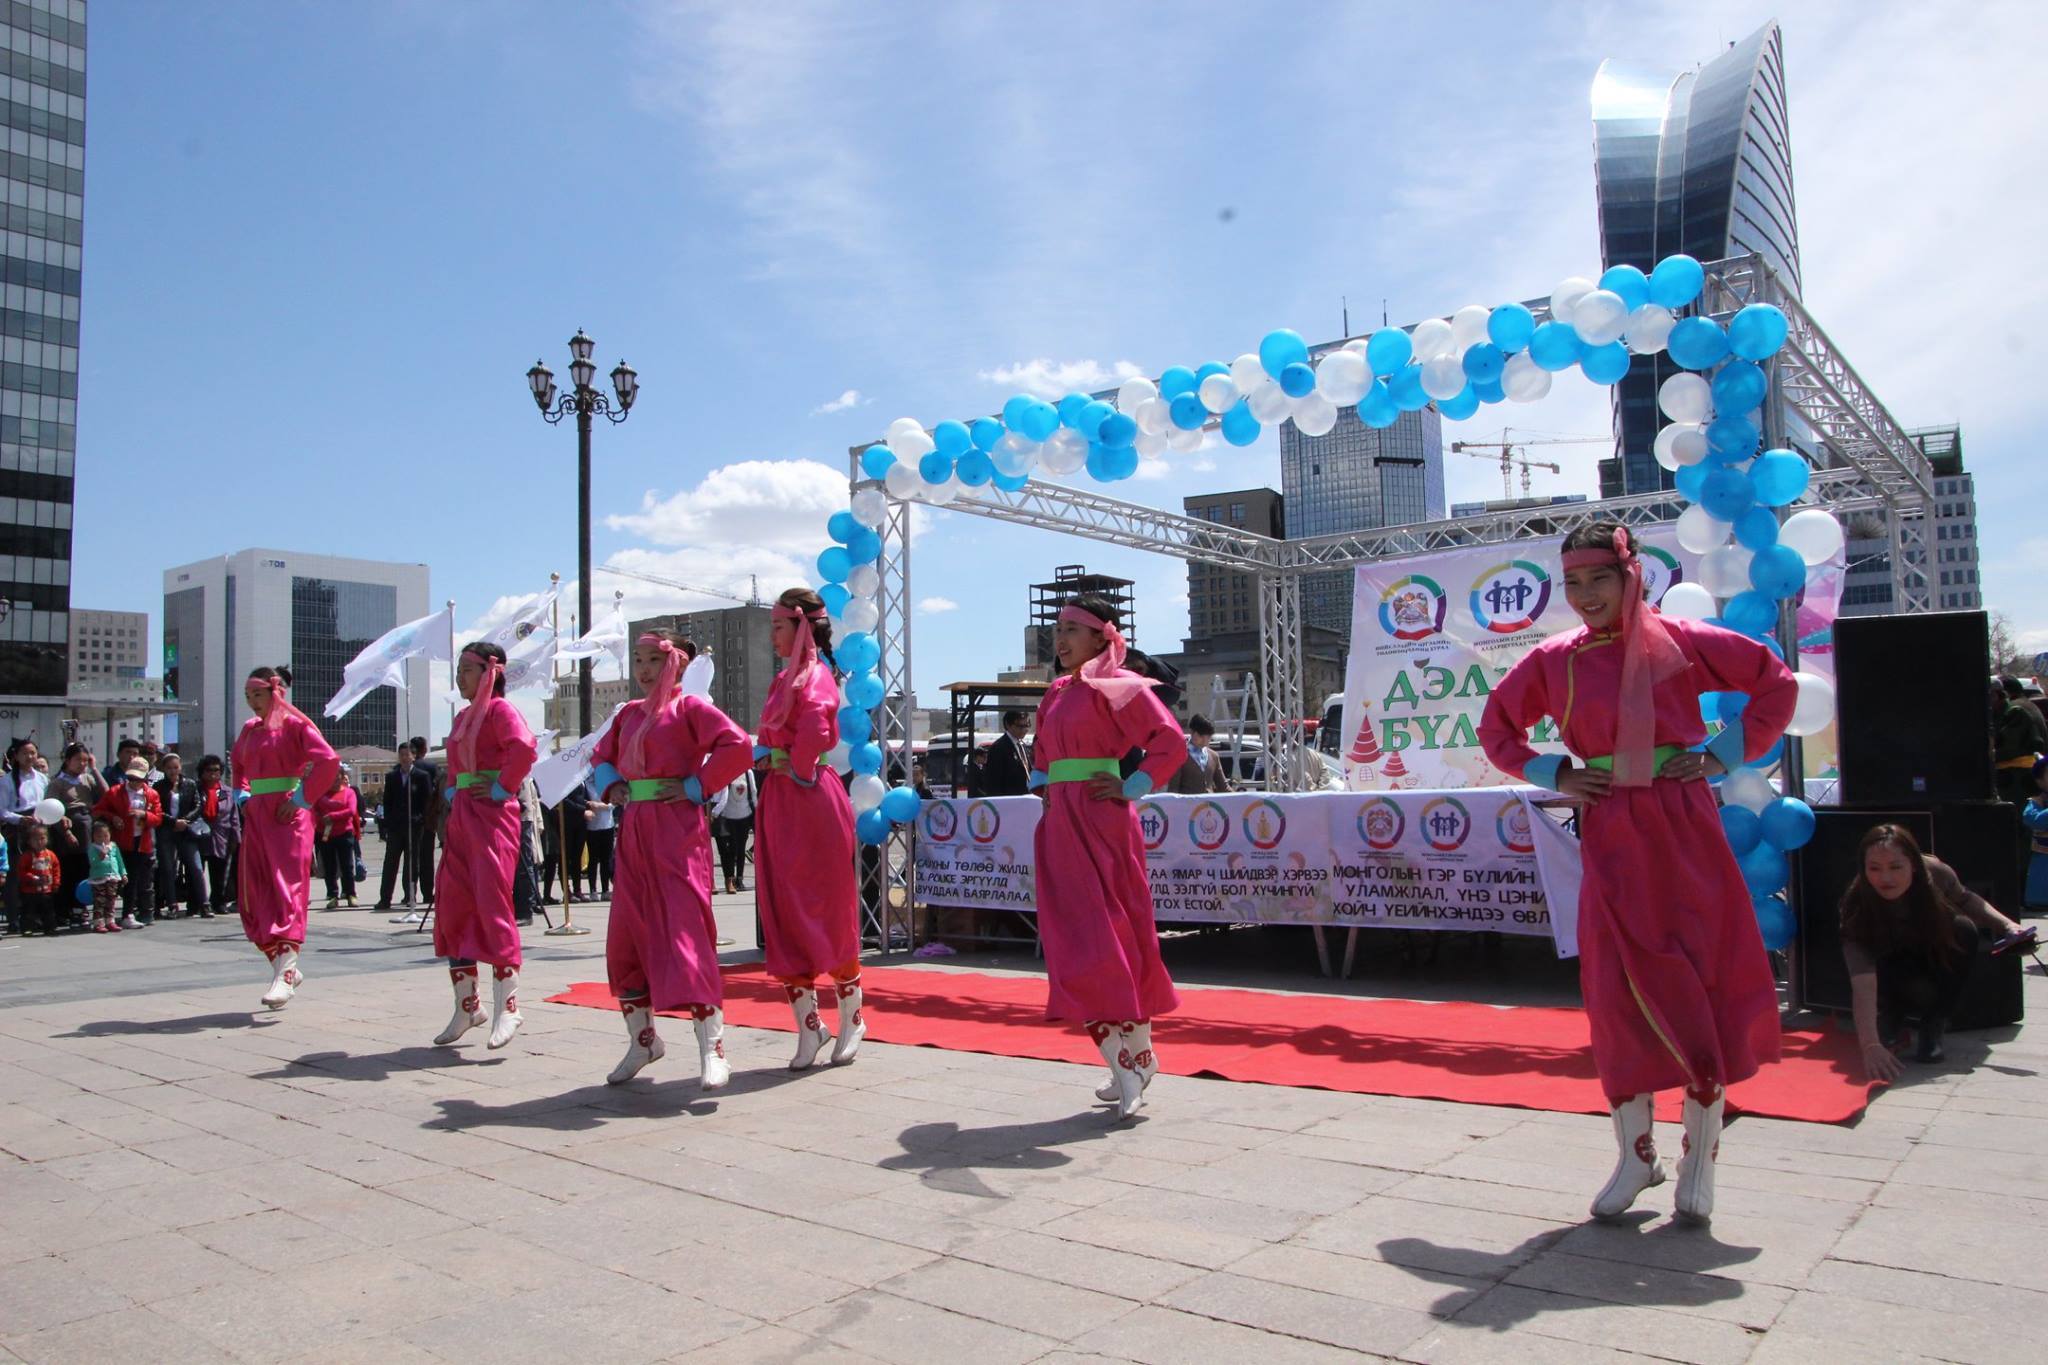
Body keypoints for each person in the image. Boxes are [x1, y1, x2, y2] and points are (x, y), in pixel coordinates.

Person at [1479, 522, 1797, 1226]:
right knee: (1616, 986)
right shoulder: (1553, 660)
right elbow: (1497, 728)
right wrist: (1556, 772)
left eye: (1600, 578)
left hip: (1684, 824)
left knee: (1702, 976)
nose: (1586, 594)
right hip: (1612, 831)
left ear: (1632, 576)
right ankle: (1635, 1156)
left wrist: (1722, 754)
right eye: (1574, 583)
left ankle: (1700, 1163)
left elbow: (1775, 682)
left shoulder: (1681, 640)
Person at [1029, 594, 1187, 1120]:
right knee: (1074, 937)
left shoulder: (1119, 685)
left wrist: (1133, 784)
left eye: (1072, 629)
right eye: (1058, 629)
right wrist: (1045, 787)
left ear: (1102, 636)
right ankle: (1131, 1059)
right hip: (1061, 824)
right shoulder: (1055, 692)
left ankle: (1130, 1060)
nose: (1060, 638)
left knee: (1112, 933)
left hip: (1103, 821)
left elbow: (1169, 741)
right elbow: (1042, 755)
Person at [589, 629, 753, 1086]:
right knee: (627, 935)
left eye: (653, 660)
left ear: (675, 662)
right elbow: (600, 756)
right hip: (634, 832)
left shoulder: (690, 708)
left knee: (686, 933)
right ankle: (643, 1041)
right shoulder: (627, 714)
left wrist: (697, 786)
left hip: (678, 831)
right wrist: (612, 784)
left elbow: (738, 745)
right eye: (638, 660)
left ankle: (713, 1049)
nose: (644, 669)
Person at [754, 587, 866, 1070]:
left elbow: (818, 728)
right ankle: (809, 1026)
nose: (772, 636)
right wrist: (766, 756)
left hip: (809, 796)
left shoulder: (816, 676)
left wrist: (796, 767)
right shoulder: (783, 680)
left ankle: (852, 1016)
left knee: (825, 905)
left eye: (778, 626)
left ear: (801, 628)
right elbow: (772, 735)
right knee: (783, 909)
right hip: (783, 797)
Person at [1842, 824, 2035, 1077]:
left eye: (1895, 867)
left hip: (1930, 955)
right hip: (1888, 968)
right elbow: (1863, 984)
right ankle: (1891, 1015)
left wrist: (2009, 927)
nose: (1885, 878)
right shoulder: (1855, 908)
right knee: (1886, 985)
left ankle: (1934, 1023)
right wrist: (1870, 1045)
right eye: (1874, 868)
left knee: (1964, 929)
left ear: (1913, 864)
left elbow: (1967, 899)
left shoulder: (1936, 872)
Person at [432, 642, 538, 1050]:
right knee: (453, 905)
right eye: (458, 669)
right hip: (462, 817)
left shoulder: (500, 711)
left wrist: (502, 786)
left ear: (489, 673)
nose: (459, 677)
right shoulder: (462, 718)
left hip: (492, 818)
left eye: (466, 669)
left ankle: (508, 1006)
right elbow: (456, 765)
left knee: (493, 905)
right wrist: (452, 789)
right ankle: (467, 1006)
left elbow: (524, 748)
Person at [230, 665, 341, 1009]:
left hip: (287, 816)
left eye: (258, 694)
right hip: (257, 816)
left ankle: (287, 971)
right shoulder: (250, 730)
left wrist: (300, 799)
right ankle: (284, 966)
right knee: (254, 891)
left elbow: (328, 761)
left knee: (286, 888)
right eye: (248, 696)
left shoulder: (295, 725)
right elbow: (237, 765)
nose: (252, 702)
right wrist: (241, 794)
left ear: (276, 693)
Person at [95, 759, 163, 929]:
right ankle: (107, 916)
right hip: (120, 842)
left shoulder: (152, 794)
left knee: (135, 880)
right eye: (131, 778)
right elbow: (98, 810)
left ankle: (129, 914)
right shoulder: (115, 792)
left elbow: (158, 818)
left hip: (141, 842)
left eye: (138, 779)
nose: (134, 782)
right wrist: (113, 817)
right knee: (114, 880)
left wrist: (144, 815)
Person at [375, 742, 435, 911]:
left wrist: (421, 819)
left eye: (407, 754)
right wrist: (387, 823)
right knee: (390, 863)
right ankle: (385, 898)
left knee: (412, 863)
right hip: (396, 827)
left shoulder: (422, 776)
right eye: (401, 755)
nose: (404, 758)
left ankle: (410, 896)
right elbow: (387, 802)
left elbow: (428, 801)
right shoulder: (392, 777)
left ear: (413, 756)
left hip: (414, 827)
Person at [48, 743, 103, 918]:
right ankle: (65, 910)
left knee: (84, 868)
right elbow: (52, 809)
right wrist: (66, 832)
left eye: (85, 760)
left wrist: (94, 769)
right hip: (68, 828)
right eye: (78, 760)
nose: (82, 764)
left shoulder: (87, 779)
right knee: (68, 869)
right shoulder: (58, 782)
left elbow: (106, 793)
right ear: (67, 760)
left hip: (87, 827)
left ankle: (81, 907)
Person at [0, 737, 49, 933]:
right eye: (25, 753)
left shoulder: (42, 778)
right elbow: (2, 811)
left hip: (39, 828)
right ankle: (14, 919)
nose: (29, 757)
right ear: (17, 756)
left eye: (33, 753)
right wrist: (20, 819)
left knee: (40, 872)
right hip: (17, 830)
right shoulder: (7, 781)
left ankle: (34, 917)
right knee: (15, 876)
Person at [154, 753, 204, 919]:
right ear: (164, 769)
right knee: (168, 868)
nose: (173, 771)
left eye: (175, 767)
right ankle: (172, 904)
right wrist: (173, 822)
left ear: (180, 767)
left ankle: (204, 904)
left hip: (186, 830)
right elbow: (157, 809)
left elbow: (198, 805)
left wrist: (185, 820)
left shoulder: (190, 784)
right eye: (169, 768)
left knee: (196, 866)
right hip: (166, 830)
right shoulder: (158, 786)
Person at [193, 755, 237, 918]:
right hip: (199, 836)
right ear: (202, 772)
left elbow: (234, 816)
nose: (213, 774)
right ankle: (197, 903)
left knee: (219, 872)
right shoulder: (195, 789)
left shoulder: (227, 792)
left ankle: (218, 902)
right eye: (209, 770)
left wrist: (235, 837)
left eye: (216, 770)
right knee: (197, 871)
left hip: (222, 837)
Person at [313, 767, 362, 908]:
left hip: (344, 833)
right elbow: (314, 810)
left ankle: (350, 894)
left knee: (347, 865)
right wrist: (321, 818)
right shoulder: (321, 793)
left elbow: (351, 810)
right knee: (329, 866)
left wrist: (332, 816)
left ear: (342, 777)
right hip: (325, 834)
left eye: (338, 776)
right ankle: (332, 895)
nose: (335, 779)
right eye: (332, 776)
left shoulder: (349, 793)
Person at [711, 767, 756, 896]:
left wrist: (757, 811)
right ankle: (713, 880)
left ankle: (734, 879)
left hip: (733, 813)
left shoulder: (746, 772)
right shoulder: (722, 768)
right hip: (720, 812)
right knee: (714, 849)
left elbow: (752, 792)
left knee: (734, 849)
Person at [1167, 714, 1232, 795]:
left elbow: (1223, 787)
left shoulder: (1214, 756)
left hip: (1210, 802)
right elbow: (1173, 788)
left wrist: (1241, 797)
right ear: (1192, 732)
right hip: (1188, 802)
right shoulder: (1179, 754)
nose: (1205, 740)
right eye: (1201, 736)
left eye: (1208, 737)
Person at [16, 819, 59, 936]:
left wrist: (56, 883)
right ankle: (27, 928)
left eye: (42, 838)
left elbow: (56, 869)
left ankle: (49, 928)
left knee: (48, 910)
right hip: (30, 890)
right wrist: (32, 878)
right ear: (29, 841)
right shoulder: (27, 856)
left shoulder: (51, 855)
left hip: (46, 889)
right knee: (29, 910)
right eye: (36, 839)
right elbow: (21, 871)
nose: (39, 842)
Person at [979, 709, 1033, 796]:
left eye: (1027, 725)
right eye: (1020, 726)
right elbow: (993, 783)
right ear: (1008, 725)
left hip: (1026, 798)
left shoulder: (1022, 745)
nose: (1025, 729)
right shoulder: (998, 748)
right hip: (1009, 800)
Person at [87, 817, 126, 933]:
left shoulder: (113, 846)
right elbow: (93, 862)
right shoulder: (93, 848)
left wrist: (123, 873)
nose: (103, 839)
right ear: (94, 837)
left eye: (105, 836)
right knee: (100, 900)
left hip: (112, 877)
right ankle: (98, 922)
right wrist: (101, 855)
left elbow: (119, 861)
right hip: (99, 877)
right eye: (99, 836)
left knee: (111, 900)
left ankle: (110, 921)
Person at [583, 776, 616, 900]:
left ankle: (605, 889)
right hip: (592, 826)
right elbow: (585, 802)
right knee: (593, 859)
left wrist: (599, 805)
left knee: (606, 859)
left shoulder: (606, 782)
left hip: (608, 824)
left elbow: (613, 803)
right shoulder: (586, 784)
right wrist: (591, 805)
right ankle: (593, 890)